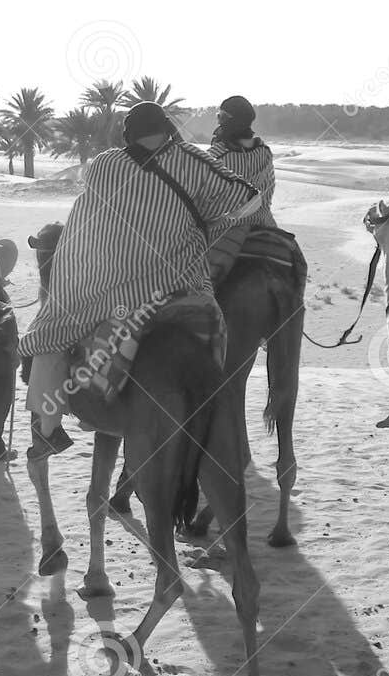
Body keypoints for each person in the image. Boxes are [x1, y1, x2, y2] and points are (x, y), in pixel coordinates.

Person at [19, 101, 261, 456]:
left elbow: (90, 215)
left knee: (51, 329)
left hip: (108, 292)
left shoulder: (104, 163)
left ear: (128, 134)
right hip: (181, 285)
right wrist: (216, 219)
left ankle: (47, 430)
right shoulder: (193, 159)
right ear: (167, 129)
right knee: (215, 325)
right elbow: (250, 197)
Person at [207, 94, 278, 279]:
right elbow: (268, 193)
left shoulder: (214, 156)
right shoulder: (264, 151)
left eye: (221, 116)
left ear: (230, 121)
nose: (219, 122)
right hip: (265, 227)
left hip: (221, 235)